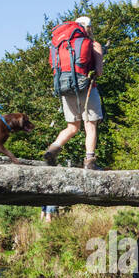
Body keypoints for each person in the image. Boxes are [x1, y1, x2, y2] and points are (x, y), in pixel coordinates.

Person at [42, 15, 104, 170]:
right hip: (87, 88)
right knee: (90, 126)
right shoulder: (93, 44)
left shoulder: (60, 44)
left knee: (72, 127)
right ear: (89, 28)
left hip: (66, 87)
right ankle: (90, 161)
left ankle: (52, 150)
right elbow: (99, 71)